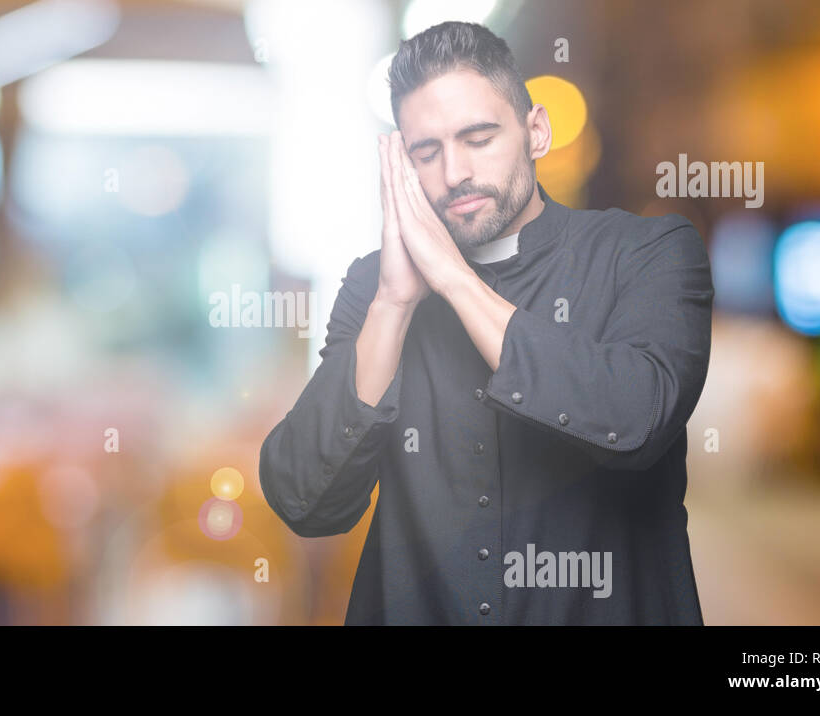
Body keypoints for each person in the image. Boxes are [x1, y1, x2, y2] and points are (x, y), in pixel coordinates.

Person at [258, 21, 714, 625]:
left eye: (478, 138)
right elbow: (304, 501)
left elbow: (636, 417)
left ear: (536, 132)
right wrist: (394, 306)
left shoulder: (648, 252)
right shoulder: (375, 290)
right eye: (427, 152)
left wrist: (453, 279)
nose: (454, 174)